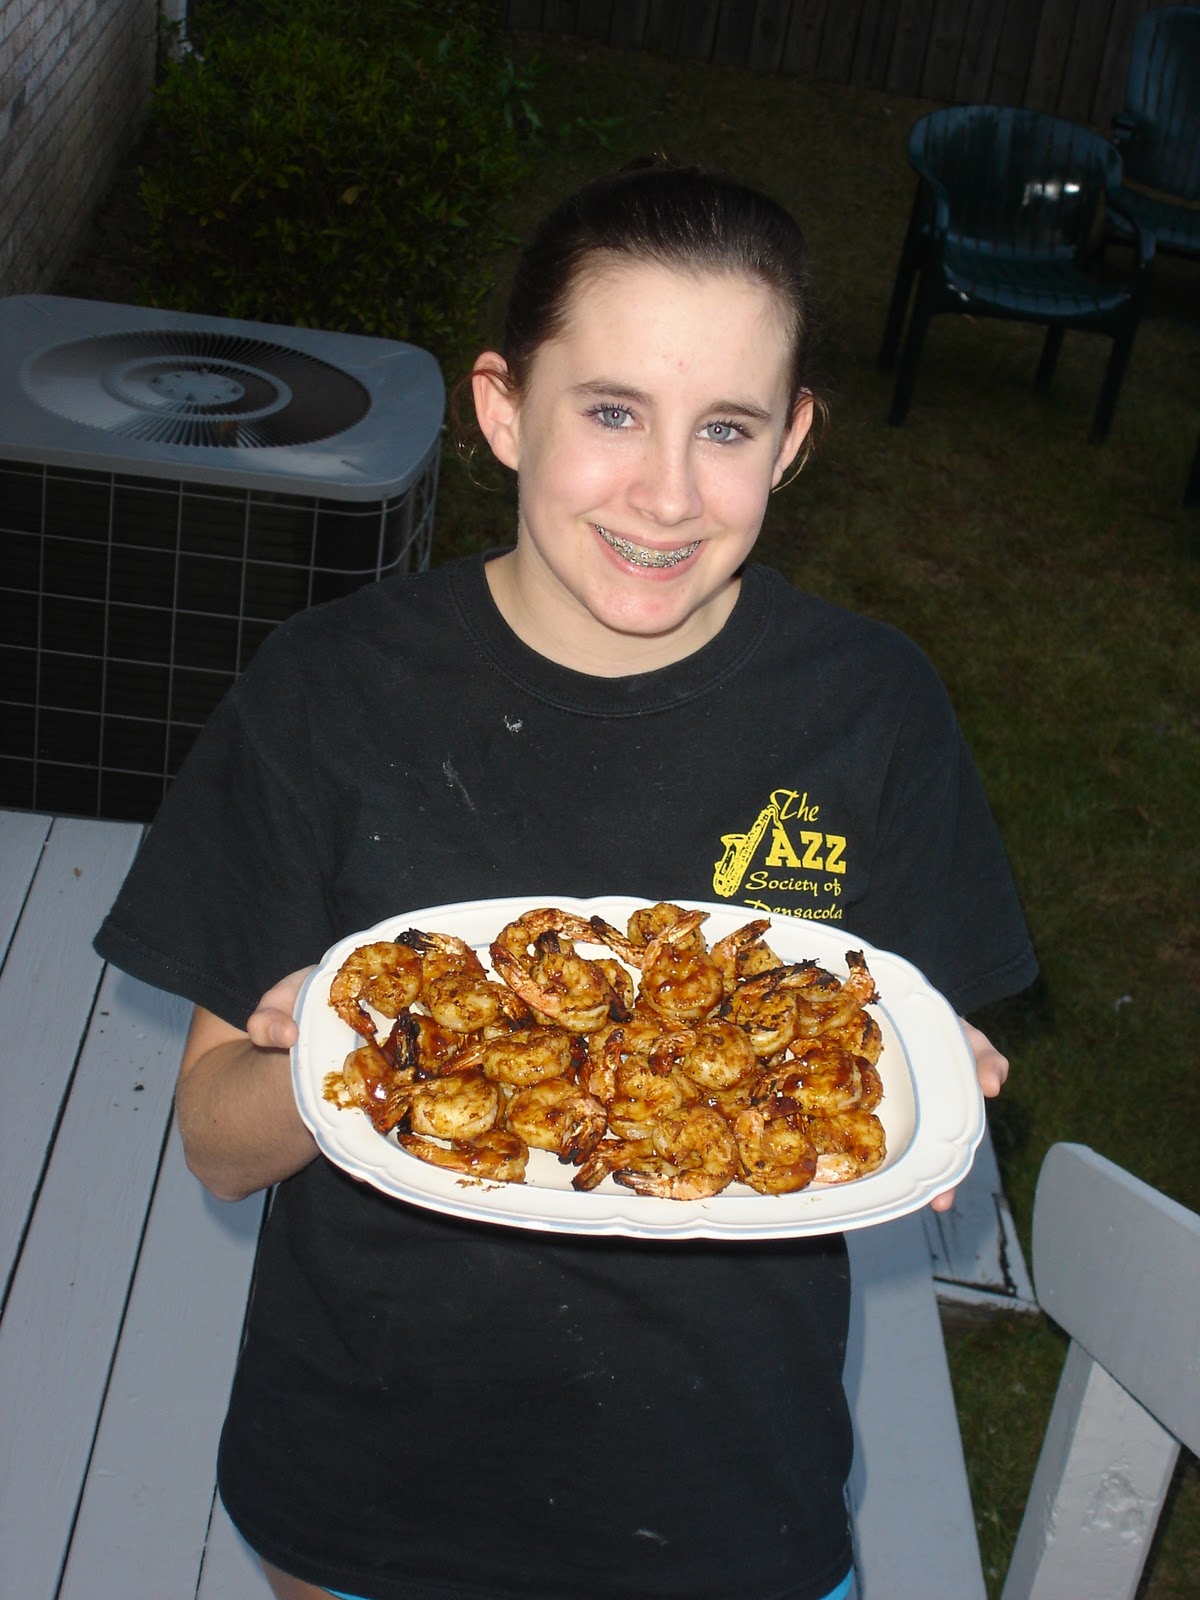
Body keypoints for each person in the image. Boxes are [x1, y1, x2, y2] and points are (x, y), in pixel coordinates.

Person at [95, 160, 1036, 1600]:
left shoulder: (874, 709)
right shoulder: (328, 692)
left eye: (725, 427)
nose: (667, 494)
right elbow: (219, 1144)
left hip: (728, 1496)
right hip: (371, 1484)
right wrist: (348, 1051)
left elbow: (902, 1082)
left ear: (791, 441)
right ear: (500, 408)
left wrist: (925, 1094)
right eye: (611, 412)